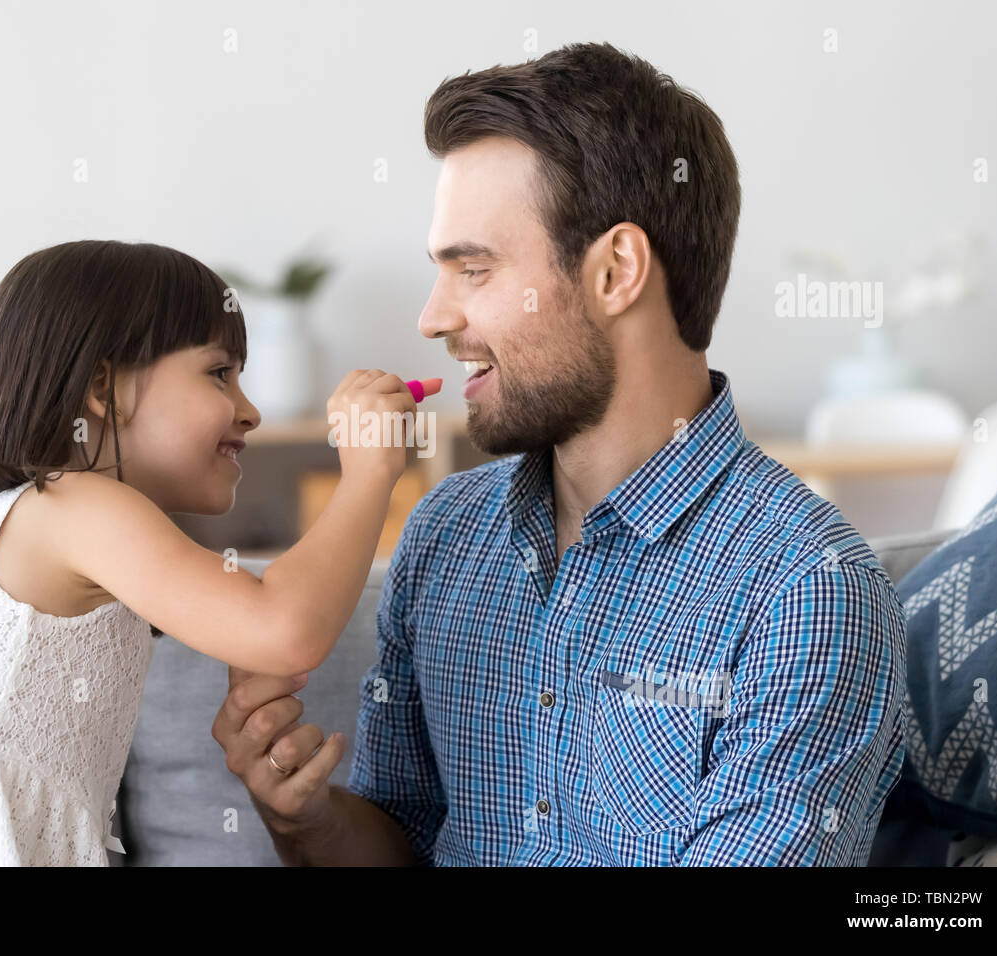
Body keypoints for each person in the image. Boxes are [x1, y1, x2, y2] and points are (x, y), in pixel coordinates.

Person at [212, 42, 909, 866]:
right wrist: (305, 820)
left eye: (473, 269)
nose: (433, 319)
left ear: (616, 271)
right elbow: (405, 837)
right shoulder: (442, 537)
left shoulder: (806, 598)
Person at [0, 239, 416, 865]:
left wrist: (251, 635)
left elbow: (267, 626)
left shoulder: (67, 519)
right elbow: (286, 628)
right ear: (104, 388)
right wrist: (369, 472)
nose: (249, 412)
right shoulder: (73, 507)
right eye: (220, 373)